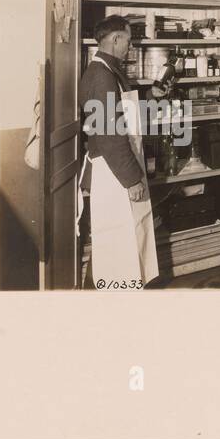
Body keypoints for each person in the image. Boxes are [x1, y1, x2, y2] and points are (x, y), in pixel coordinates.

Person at [78, 15, 169, 288]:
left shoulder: (109, 71)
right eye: (128, 41)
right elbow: (109, 135)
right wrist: (131, 179)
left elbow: (123, 115)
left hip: (118, 164)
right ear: (115, 39)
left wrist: (152, 96)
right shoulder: (101, 76)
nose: (130, 46)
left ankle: (117, 289)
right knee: (119, 238)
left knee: (124, 237)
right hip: (113, 169)